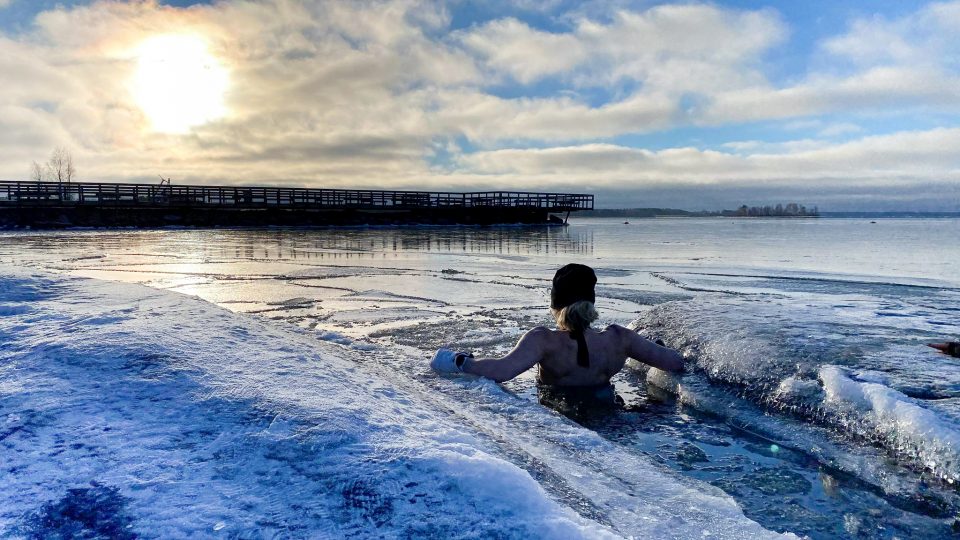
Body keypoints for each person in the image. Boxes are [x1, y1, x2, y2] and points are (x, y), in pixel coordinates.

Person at [431, 263, 685, 391]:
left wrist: (460, 361)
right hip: (610, 416)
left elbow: (501, 371)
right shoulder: (620, 338)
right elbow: (674, 362)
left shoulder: (544, 340)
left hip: (564, 419)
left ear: (556, 305)